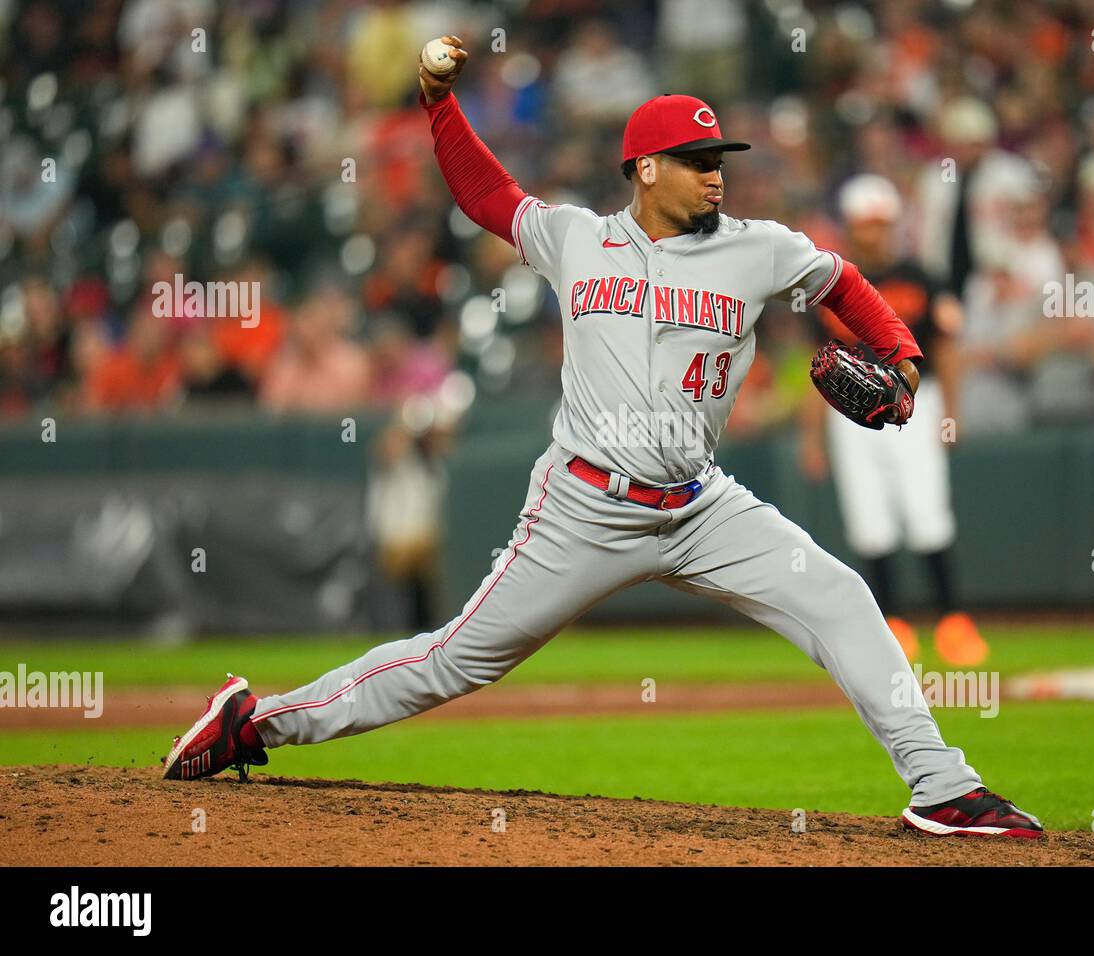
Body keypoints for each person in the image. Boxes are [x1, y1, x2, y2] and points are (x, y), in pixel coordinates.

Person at [162, 36, 1043, 840]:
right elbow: (485, 194)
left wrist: (900, 354)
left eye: (720, 159)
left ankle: (942, 787)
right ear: (645, 169)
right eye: (697, 161)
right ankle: (258, 722)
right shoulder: (577, 239)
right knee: (454, 661)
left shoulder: (758, 248)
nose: (716, 175)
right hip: (583, 506)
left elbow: (843, 281)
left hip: (702, 506)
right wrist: (438, 103)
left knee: (843, 598)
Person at [801, 175, 987, 667]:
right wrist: (812, 437)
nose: (875, 234)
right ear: (851, 227)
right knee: (869, 522)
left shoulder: (920, 275)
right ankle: (893, 625)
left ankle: (953, 621)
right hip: (847, 415)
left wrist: (952, 414)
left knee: (927, 513)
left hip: (916, 402)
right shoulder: (828, 282)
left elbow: (946, 346)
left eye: (882, 224)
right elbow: (812, 365)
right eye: (867, 224)